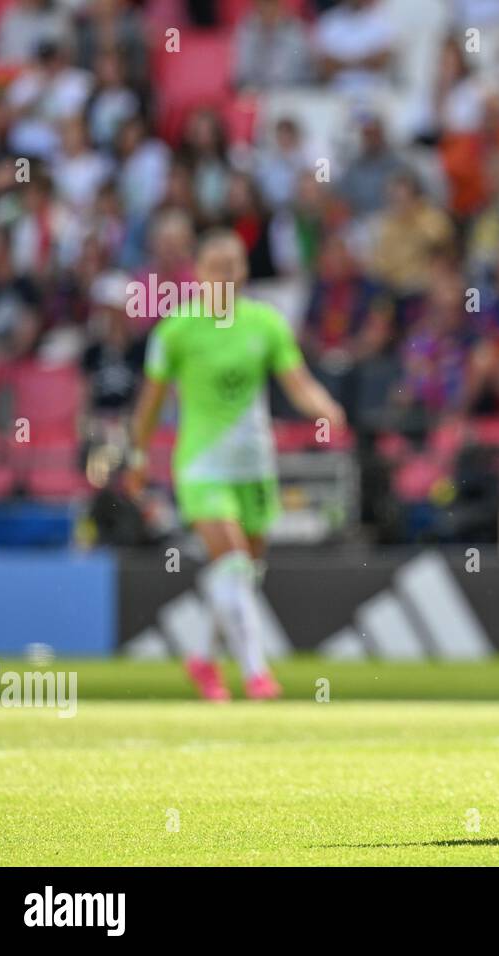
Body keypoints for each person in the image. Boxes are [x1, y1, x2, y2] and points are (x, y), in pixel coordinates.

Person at [125, 231, 346, 701]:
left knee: (244, 571)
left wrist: (326, 408)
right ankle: (255, 673)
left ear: (243, 272)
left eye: (232, 267)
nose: (223, 277)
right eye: (214, 268)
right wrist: (139, 455)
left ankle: (204, 660)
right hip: (201, 465)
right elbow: (149, 403)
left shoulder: (265, 323)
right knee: (233, 562)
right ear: (198, 274)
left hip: (254, 466)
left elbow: (297, 380)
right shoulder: (175, 331)